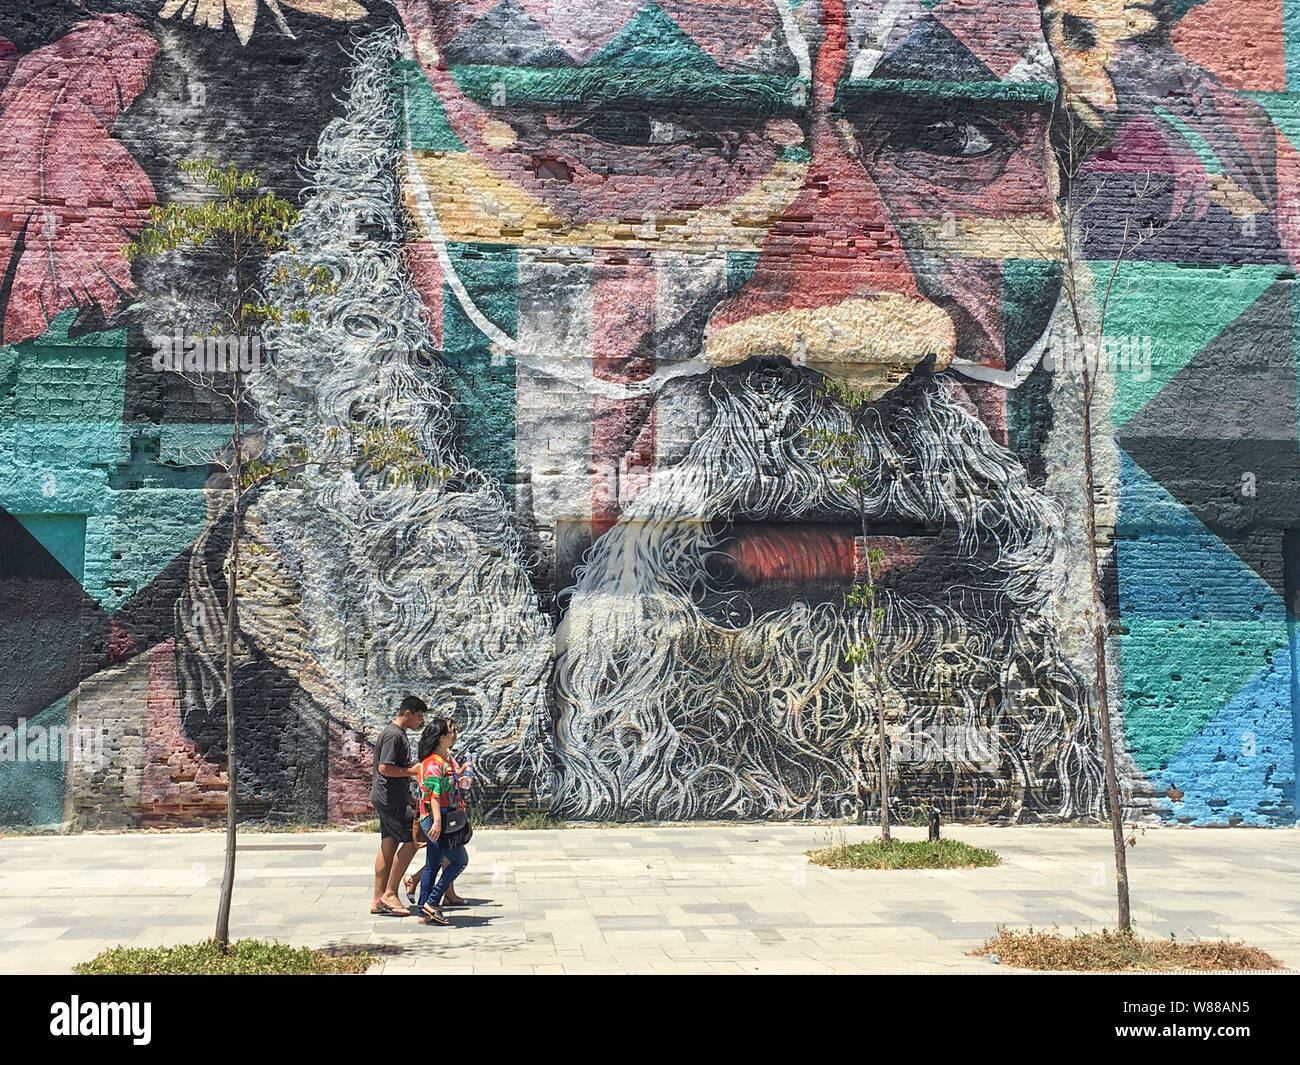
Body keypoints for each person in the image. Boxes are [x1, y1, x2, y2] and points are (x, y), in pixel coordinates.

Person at [370, 694, 427, 916]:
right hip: (390, 798)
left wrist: (408, 794)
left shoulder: (395, 733)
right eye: (419, 716)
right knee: (416, 838)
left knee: (388, 845)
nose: (420, 721)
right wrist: (411, 772)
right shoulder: (394, 736)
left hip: (391, 797)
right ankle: (390, 893)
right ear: (407, 713)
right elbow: (385, 768)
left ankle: (377, 899)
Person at [413, 715, 471, 926]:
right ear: (441, 737)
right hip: (438, 817)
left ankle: (423, 911)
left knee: (433, 863)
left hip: (443, 815)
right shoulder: (432, 763)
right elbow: (433, 796)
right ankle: (432, 901)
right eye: (450, 731)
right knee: (459, 860)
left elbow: (444, 787)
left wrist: (459, 779)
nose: (454, 734)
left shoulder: (444, 759)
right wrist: (437, 822)